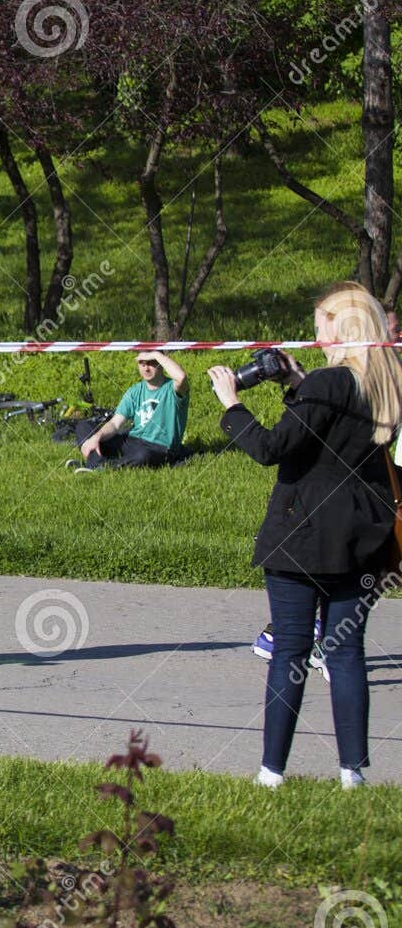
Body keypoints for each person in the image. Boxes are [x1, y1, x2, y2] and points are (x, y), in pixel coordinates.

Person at [208, 282, 402, 789]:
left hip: (301, 533)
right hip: (362, 535)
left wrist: (231, 403)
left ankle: (272, 771)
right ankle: (352, 772)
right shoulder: (383, 380)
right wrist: (298, 386)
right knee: (346, 653)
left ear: (342, 326)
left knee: (290, 650)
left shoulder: (329, 382)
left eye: (320, 327)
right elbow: (325, 436)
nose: (316, 339)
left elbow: (273, 447)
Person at [72, 351, 188, 472]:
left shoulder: (173, 388)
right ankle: (96, 463)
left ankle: (101, 466)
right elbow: (115, 424)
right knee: (83, 426)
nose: (146, 368)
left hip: (160, 448)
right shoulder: (135, 391)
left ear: (161, 363)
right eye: (142, 363)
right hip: (132, 441)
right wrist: (96, 437)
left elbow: (181, 377)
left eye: (151, 363)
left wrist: (157, 355)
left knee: (143, 456)